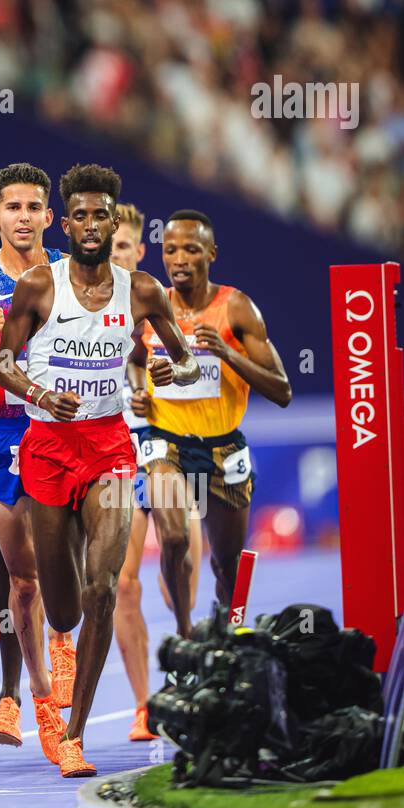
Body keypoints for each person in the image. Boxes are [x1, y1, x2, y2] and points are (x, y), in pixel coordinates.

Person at [0, 164, 200, 777]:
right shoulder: (38, 285)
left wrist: (168, 372)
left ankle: (75, 733)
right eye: (78, 215)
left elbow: (185, 365)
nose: (89, 225)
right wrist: (38, 391)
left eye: (99, 215)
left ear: (116, 220)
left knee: (102, 587)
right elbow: (4, 364)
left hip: (109, 447)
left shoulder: (141, 291)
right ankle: (61, 647)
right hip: (49, 447)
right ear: (69, 220)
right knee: (63, 608)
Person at [132, 209, 292, 609]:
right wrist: (139, 392)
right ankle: (186, 634)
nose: (180, 259)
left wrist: (224, 353)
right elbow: (133, 357)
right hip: (165, 443)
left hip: (223, 448)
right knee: (172, 538)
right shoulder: (152, 305)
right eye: (171, 250)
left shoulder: (236, 308)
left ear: (212, 254)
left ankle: (228, 638)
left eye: (191, 249)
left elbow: (282, 390)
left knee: (228, 566)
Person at [0, 163, 69, 763]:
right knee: (22, 577)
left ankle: (65, 636)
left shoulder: (66, 277)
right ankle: (40, 703)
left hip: (62, 429)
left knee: (66, 567)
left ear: (48, 217)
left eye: (35, 207)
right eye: (13, 207)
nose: (24, 218)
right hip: (3, 432)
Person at [111, 202, 202, 742]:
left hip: (166, 450)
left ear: (138, 252)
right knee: (123, 585)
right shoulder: (82, 305)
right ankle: (146, 705)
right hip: (117, 456)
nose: (116, 255)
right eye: (108, 246)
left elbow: (194, 372)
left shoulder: (163, 307)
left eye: (124, 246)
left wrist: (166, 385)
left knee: (177, 582)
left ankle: (191, 678)